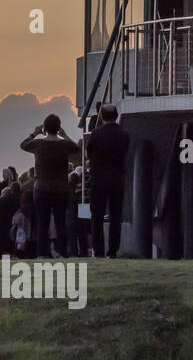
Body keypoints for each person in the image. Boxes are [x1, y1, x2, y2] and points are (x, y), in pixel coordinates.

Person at [20, 114, 79, 258]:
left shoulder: (38, 144)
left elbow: (23, 144)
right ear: (58, 127)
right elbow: (76, 148)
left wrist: (34, 133)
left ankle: (42, 254)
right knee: (60, 222)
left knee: (42, 223)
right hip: (61, 188)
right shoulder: (64, 145)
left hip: (42, 188)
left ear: (44, 128)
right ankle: (63, 252)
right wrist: (64, 135)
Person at [87, 103, 131, 258]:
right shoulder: (124, 135)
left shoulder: (95, 134)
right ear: (116, 115)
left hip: (98, 180)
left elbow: (89, 153)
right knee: (115, 216)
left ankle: (98, 251)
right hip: (117, 179)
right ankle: (113, 251)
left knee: (97, 217)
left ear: (102, 116)